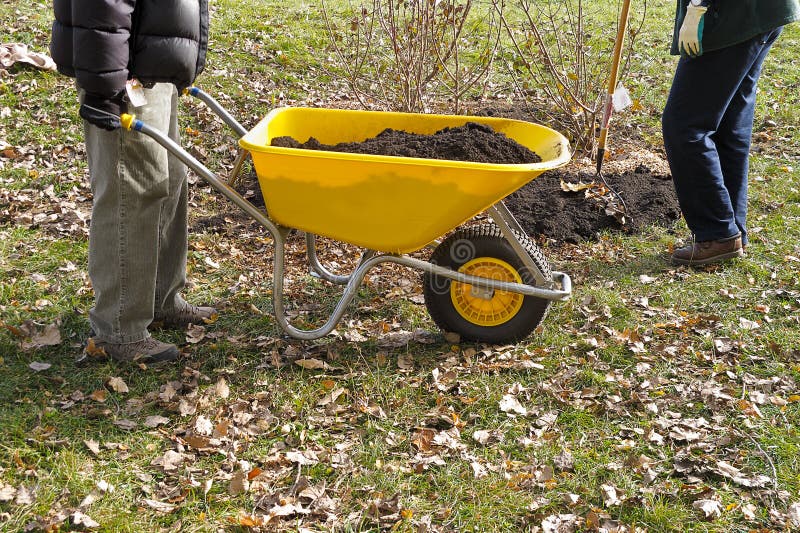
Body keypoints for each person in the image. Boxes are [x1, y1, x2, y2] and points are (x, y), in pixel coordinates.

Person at [50, 0, 217, 362]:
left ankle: (161, 299)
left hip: (152, 60)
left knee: (170, 181)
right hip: (123, 71)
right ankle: (119, 329)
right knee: (132, 189)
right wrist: (103, 87)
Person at [662, 0, 800, 266]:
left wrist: (697, 6)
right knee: (729, 124)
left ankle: (718, 233)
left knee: (685, 125)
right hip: (762, 11)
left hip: (730, 16)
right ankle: (729, 229)